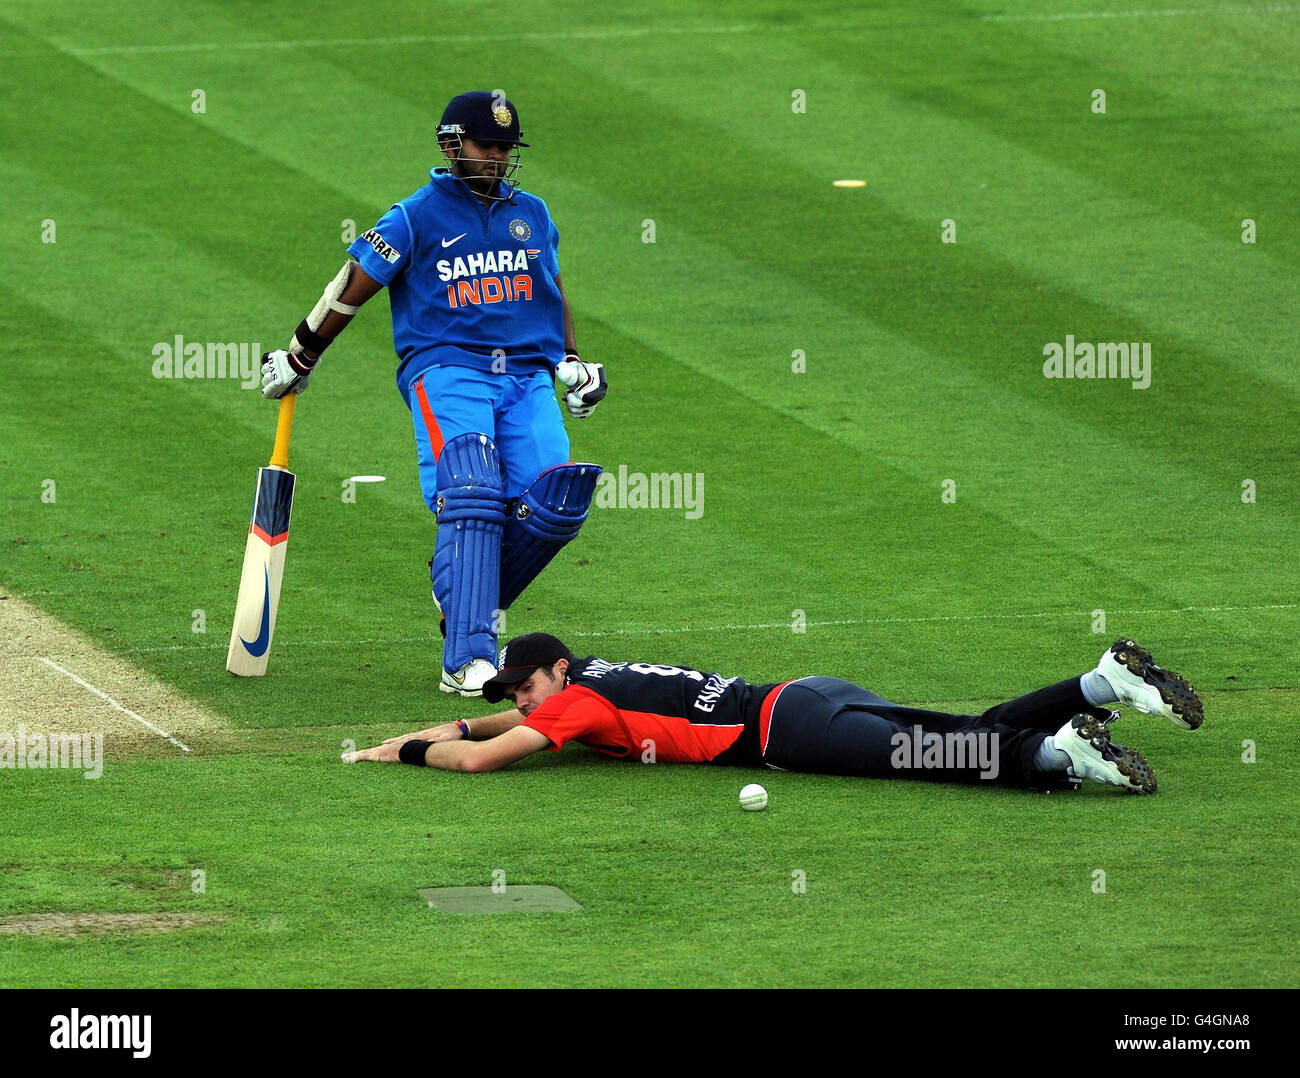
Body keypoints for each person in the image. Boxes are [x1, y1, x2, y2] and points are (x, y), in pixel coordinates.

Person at [258, 91, 607, 697]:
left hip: (525, 376)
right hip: (447, 370)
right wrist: (299, 353)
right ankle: (466, 656)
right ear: (452, 145)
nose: (497, 158)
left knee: (557, 498)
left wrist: (571, 362)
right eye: (485, 146)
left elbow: (551, 290)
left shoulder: (534, 213)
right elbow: (351, 287)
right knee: (472, 491)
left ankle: (456, 580)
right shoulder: (414, 216)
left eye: (505, 149)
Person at [342, 634, 1204, 794]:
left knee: (938, 758)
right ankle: (1098, 687)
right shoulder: (592, 679)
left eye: (521, 688)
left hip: (788, 733)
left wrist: (410, 754)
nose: (517, 705)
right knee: (955, 730)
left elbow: (489, 761)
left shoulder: (574, 699)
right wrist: (449, 724)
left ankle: (1063, 757)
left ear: (555, 673)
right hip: (809, 693)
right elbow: (492, 731)